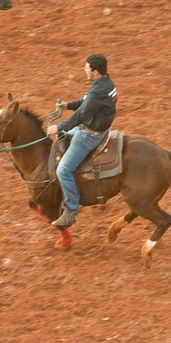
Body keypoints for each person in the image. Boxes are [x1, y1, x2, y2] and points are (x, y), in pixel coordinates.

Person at [46, 53, 117, 230]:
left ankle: (71, 211)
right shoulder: (104, 84)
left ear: (95, 72)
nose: (84, 70)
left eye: (86, 68)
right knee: (60, 141)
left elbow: (82, 114)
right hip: (94, 127)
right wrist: (68, 105)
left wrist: (60, 127)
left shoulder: (98, 90)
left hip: (89, 135)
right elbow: (87, 103)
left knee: (63, 170)